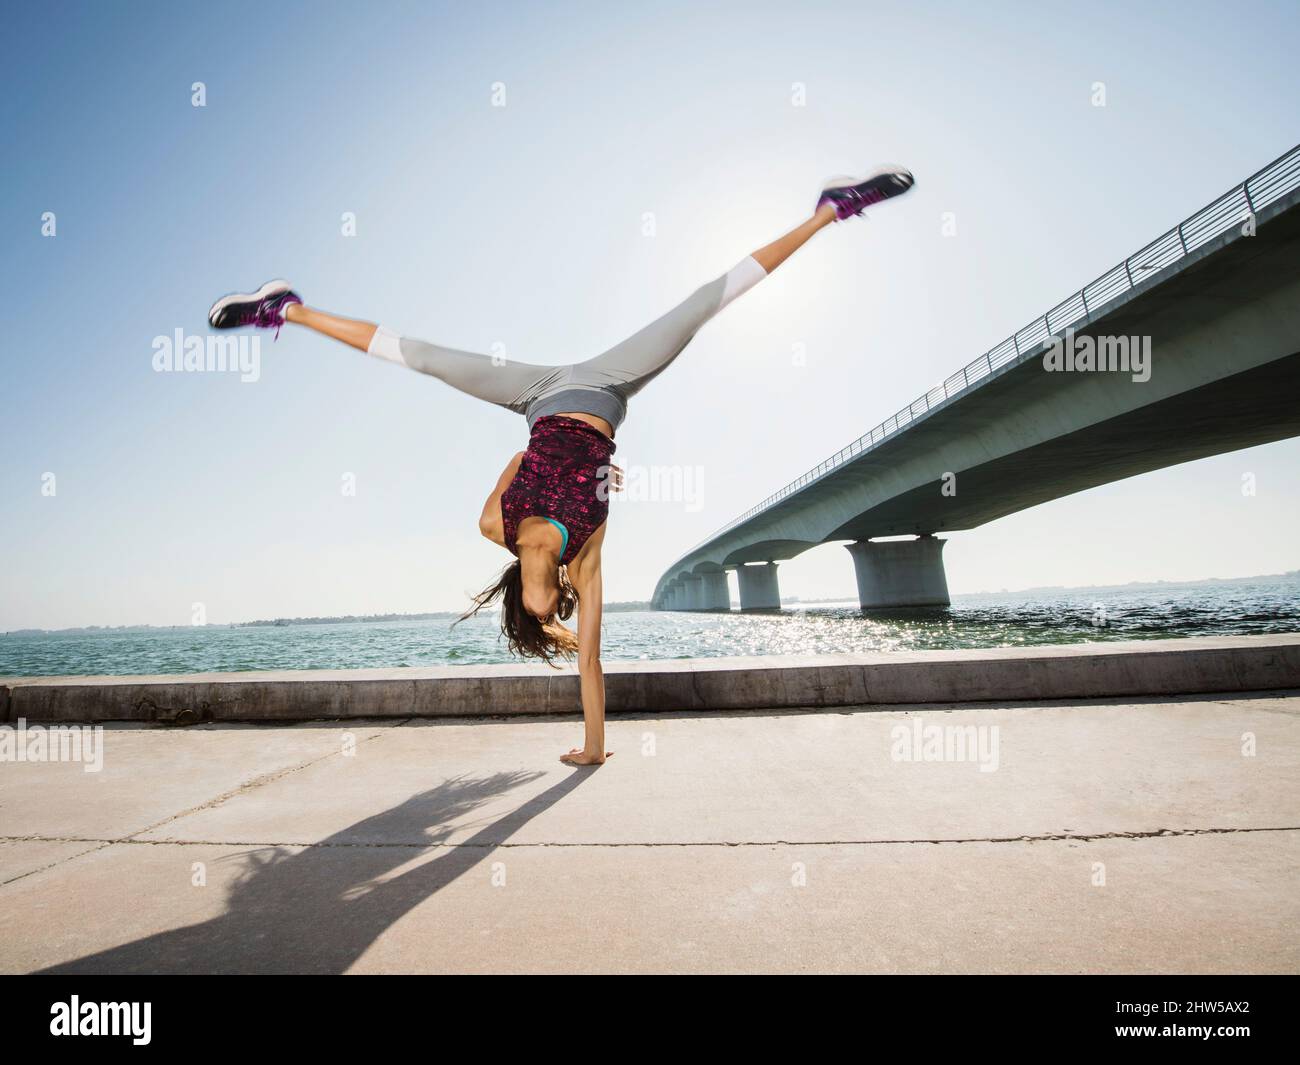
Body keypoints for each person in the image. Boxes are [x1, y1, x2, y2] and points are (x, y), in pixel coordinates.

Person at [208, 166, 915, 765]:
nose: (553, 609)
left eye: (541, 612)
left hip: (537, 397)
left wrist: (573, 473)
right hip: (608, 387)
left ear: (524, 592)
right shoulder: (585, 557)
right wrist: (593, 746)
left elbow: (520, 454)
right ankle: (830, 212)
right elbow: (591, 662)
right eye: (557, 614)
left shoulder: (496, 526)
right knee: (705, 304)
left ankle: (289, 309)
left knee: (420, 356)